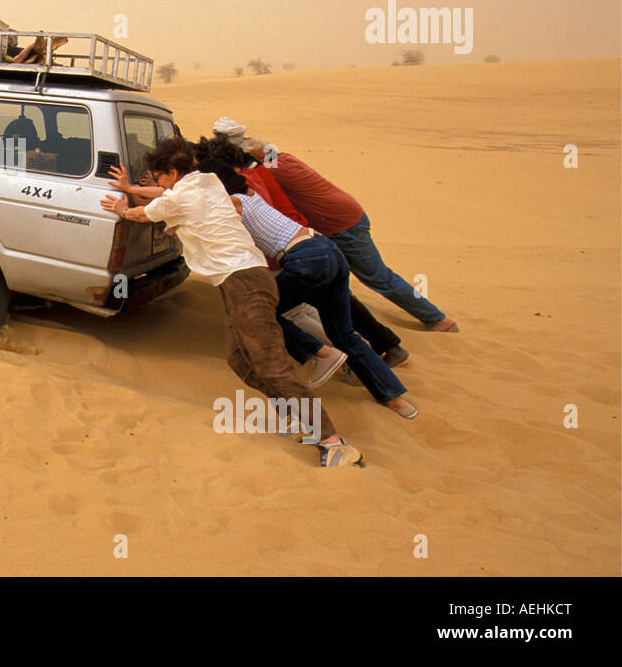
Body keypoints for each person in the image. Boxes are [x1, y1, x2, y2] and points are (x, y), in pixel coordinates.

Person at [100, 137, 365, 467]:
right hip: (243, 279)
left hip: (243, 281)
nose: (155, 183)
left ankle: (332, 441)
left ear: (171, 172)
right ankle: (296, 418)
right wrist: (132, 186)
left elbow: (144, 213)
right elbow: (166, 196)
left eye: (158, 176)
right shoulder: (207, 182)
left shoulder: (182, 194)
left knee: (271, 363)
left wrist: (122, 207)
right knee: (239, 359)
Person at [193, 157, 419, 419]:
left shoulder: (233, 201)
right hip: (328, 252)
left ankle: (319, 352)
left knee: (261, 315)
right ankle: (398, 401)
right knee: (346, 335)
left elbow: (198, 212)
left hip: (304, 260)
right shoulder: (251, 193)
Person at [225, 127, 458, 333]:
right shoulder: (282, 158)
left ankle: (438, 319)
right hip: (344, 215)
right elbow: (268, 149)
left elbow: (254, 173)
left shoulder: (271, 171)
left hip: (341, 224)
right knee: (337, 279)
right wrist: (246, 143)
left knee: (378, 277)